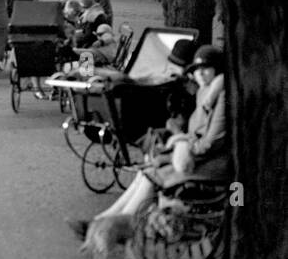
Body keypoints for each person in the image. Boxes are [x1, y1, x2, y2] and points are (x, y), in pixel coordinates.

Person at [71, 45, 229, 248]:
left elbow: (209, 144)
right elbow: (195, 137)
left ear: (217, 70)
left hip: (213, 163)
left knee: (152, 174)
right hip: (196, 157)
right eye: (196, 70)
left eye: (206, 69)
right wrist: (178, 139)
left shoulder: (222, 97)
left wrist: (179, 138)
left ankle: (114, 225)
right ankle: (102, 221)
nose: (200, 74)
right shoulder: (205, 92)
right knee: (146, 172)